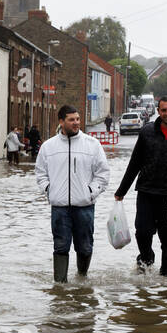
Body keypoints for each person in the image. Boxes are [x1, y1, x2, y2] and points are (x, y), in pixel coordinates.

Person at [113, 95, 167, 277]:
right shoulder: (147, 132)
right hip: (146, 191)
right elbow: (134, 163)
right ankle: (146, 257)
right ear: (158, 111)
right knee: (142, 231)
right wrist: (121, 191)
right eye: (164, 110)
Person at [36, 105, 111, 281]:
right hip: (59, 207)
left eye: (78, 119)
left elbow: (103, 173)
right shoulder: (48, 147)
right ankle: (60, 285)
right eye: (71, 120)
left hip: (84, 206)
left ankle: (82, 278)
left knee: (85, 247)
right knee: (60, 246)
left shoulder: (92, 145)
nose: (76, 123)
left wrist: (91, 192)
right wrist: (49, 190)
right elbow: (40, 173)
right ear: (61, 121)